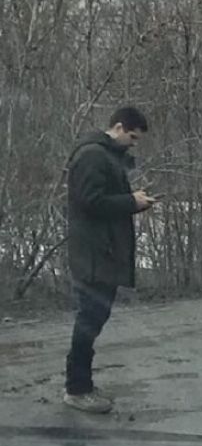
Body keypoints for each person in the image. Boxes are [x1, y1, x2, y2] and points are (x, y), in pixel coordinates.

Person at [63, 106, 157, 413]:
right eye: (132, 137)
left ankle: (81, 384)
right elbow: (90, 201)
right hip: (93, 256)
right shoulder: (92, 155)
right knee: (89, 321)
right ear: (117, 127)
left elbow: (102, 194)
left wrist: (134, 201)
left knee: (93, 320)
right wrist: (132, 201)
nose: (133, 143)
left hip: (99, 253)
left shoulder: (103, 155)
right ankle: (77, 390)